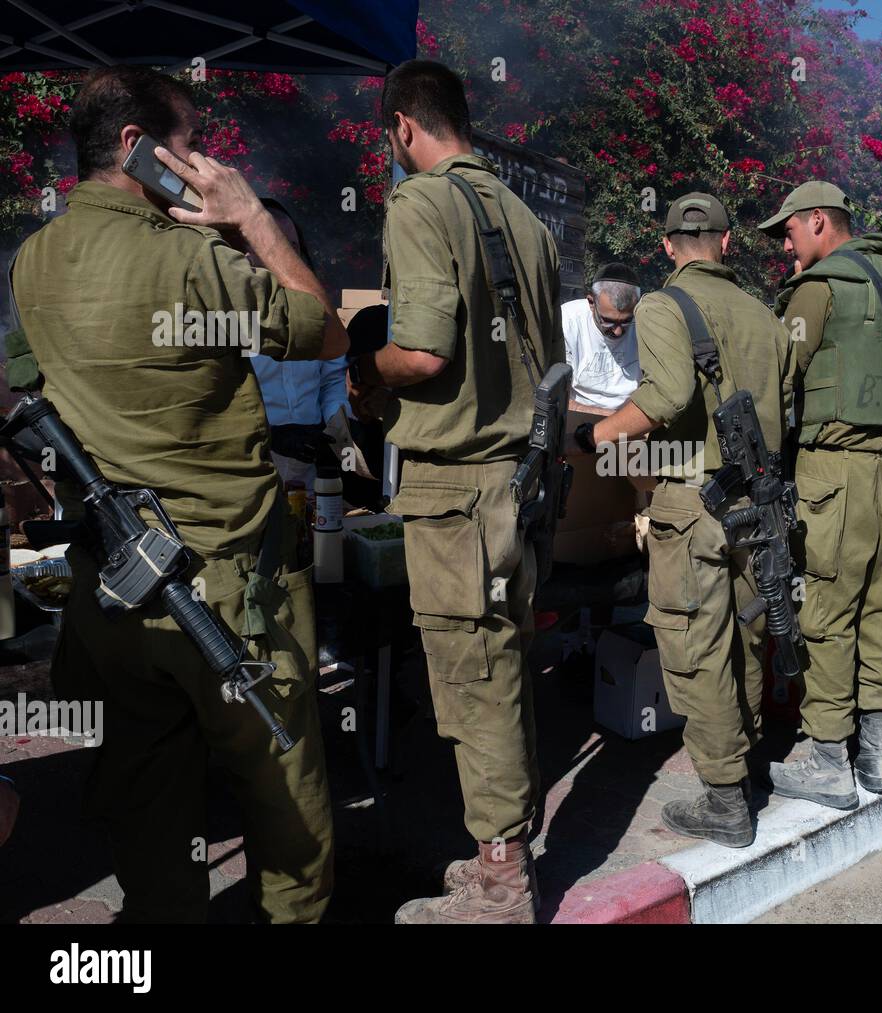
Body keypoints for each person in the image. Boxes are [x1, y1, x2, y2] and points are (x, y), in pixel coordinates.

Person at [11, 65, 345, 922]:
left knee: (150, 801)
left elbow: (20, 386)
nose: (201, 160)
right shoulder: (192, 259)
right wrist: (255, 220)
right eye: (189, 140)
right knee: (282, 794)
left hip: (112, 591)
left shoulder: (34, 256)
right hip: (231, 591)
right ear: (136, 146)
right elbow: (321, 328)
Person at [345, 60, 561, 924]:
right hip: (521, 485)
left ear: (403, 127)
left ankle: (503, 881)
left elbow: (425, 353)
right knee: (503, 663)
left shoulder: (421, 203)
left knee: (474, 674)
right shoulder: (527, 220)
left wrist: (366, 370)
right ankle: (503, 851)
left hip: (458, 488)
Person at [569, 192, 795, 847]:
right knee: (748, 640)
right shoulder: (766, 315)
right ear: (726, 242)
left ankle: (726, 801)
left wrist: (596, 437)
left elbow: (667, 396)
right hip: (759, 500)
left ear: (668, 246)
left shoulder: (664, 304)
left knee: (696, 646)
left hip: (695, 505)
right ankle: (744, 770)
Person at [760, 181, 882, 806]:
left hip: (830, 471)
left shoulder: (819, 289)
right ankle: (875, 751)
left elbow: (777, 381)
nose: (786, 245)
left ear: (819, 221)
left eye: (789, 231)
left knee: (828, 611)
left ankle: (827, 759)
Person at [249, 197, 349, 489]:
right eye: (275, 246)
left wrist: (337, 426)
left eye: (293, 248)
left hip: (310, 469)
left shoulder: (315, 312)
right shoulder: (227, 314)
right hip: (254, 467)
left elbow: (332, 383)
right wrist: (271, 435)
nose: (286, 257)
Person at [563, 261, 641, 412]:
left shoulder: (646, 322)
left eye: (626, 321)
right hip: (576, 413)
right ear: (591, 303)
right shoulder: (568, 321)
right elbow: (555, 395)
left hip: (631, 417)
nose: (618, 331)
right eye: (608, 321)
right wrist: (607, 417)